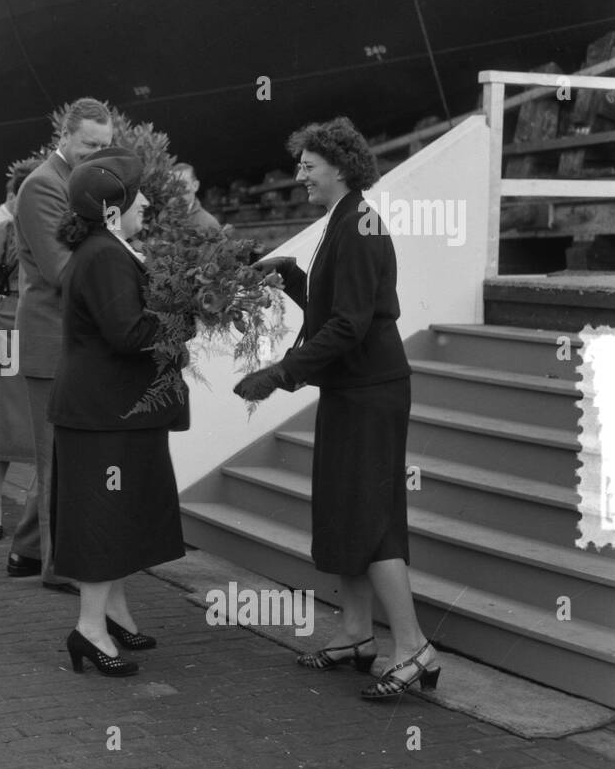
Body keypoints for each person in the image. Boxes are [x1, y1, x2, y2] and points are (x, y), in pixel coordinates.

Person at [236, 116, 437, 700]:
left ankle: (414, 647)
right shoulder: (344, 220)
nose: (299, 174)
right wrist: (294, 279)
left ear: (341, 167)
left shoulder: (359, 224)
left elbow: (350, 323)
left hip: (371, 392)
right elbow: (342, 308)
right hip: (354, 390)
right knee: (347, 511)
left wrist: (279, 373)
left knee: (370, 518)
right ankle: (355, 634)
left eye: (308, 165)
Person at [49, 148, 187, 677]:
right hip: (103, 413)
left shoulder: (107, 247)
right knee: (104, 518)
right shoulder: (106, 253)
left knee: (119, 513)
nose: (146, 201)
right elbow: (127, 332)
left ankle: (112, 610)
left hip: (108, 411)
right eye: (137, 195)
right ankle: (88, 628)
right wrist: (183, 319)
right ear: (111, 209)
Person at [12, 96, 113, 590]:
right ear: (65, 136)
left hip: (66, 338)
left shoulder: (77, 183)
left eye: (104, 146)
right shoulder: (42, 187)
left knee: (59, 455)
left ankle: (29, 548)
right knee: (57, 459)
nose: (96, 154)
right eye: (88, 145)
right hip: (52, 339)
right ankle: (58, 566)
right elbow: (61, 271)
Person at [0, 167, 37, 541]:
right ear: (12, 197)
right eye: (21, 194)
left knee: (42, 424)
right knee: (2, 422)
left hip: (48, 333)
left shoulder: (61, 232)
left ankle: (35, 506)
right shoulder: (2, 232)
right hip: (8, 329)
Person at [173, 163, 221, 230]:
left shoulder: (209, 224)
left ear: (195, 186)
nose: (177, 190)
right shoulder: (161, 220)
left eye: (183, 185)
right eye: (174, 186)